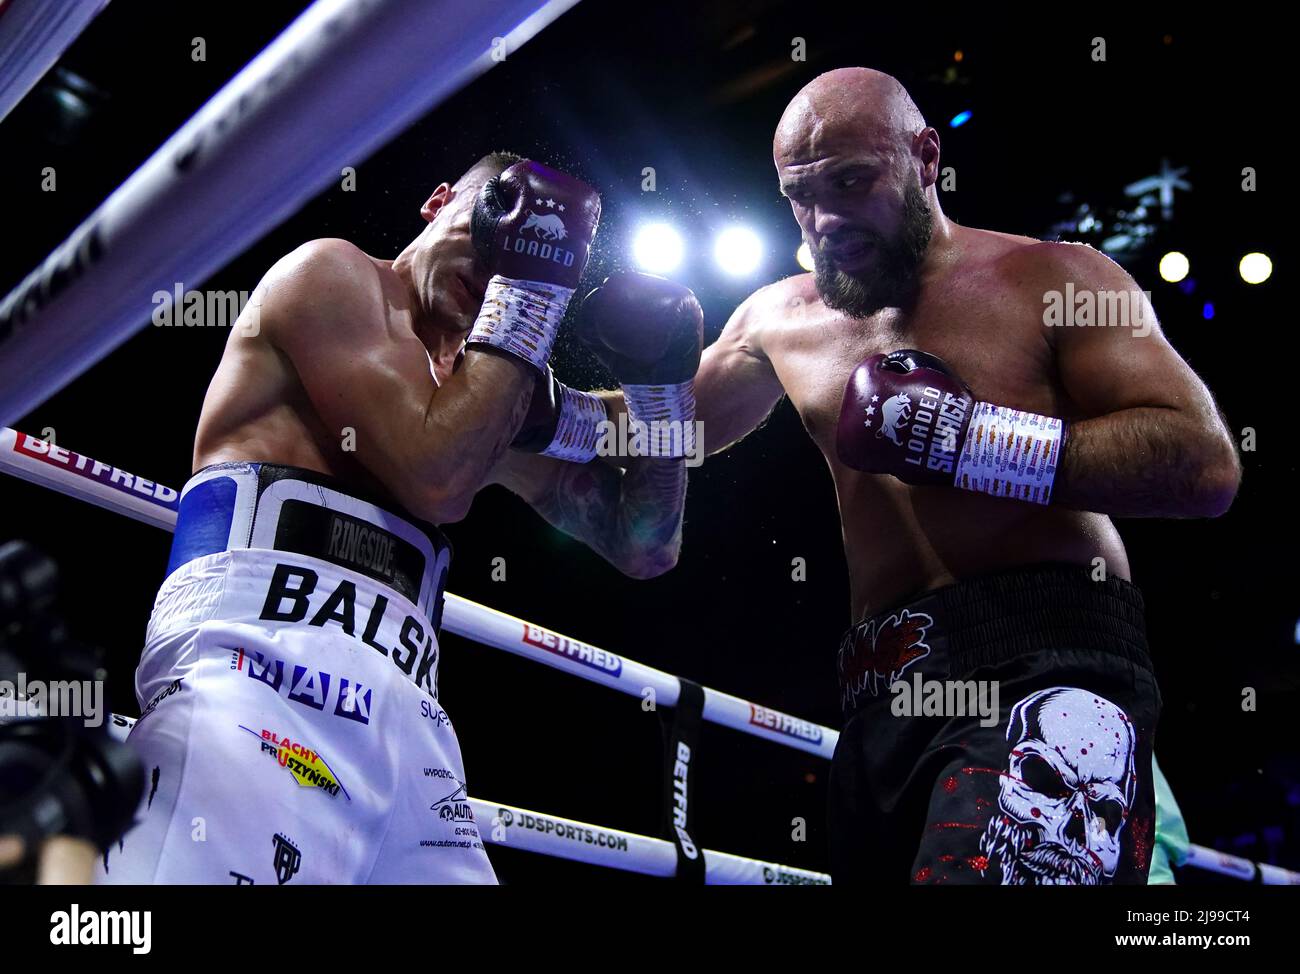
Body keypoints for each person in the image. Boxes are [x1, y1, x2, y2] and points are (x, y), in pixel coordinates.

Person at [611, 67, 1240, 884]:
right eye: (802, 196)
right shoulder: (775, 319)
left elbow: (1202, 462)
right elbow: (657, 435)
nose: (826, 219)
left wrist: (971, 442)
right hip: (882, 684)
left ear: (926, 157)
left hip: (1049, 661)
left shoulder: (1056, 279)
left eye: (851, 182)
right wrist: (521, 359)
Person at [98, 153, 703, 884]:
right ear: (437, 201)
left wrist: (663, 393)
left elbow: (644, 544)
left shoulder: (488, 394)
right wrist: (533, 286)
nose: (499, 264)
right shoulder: (332, 275)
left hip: (412, 720)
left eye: (527, 251)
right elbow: (436, 478)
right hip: (257, 665)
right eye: (492, 227)